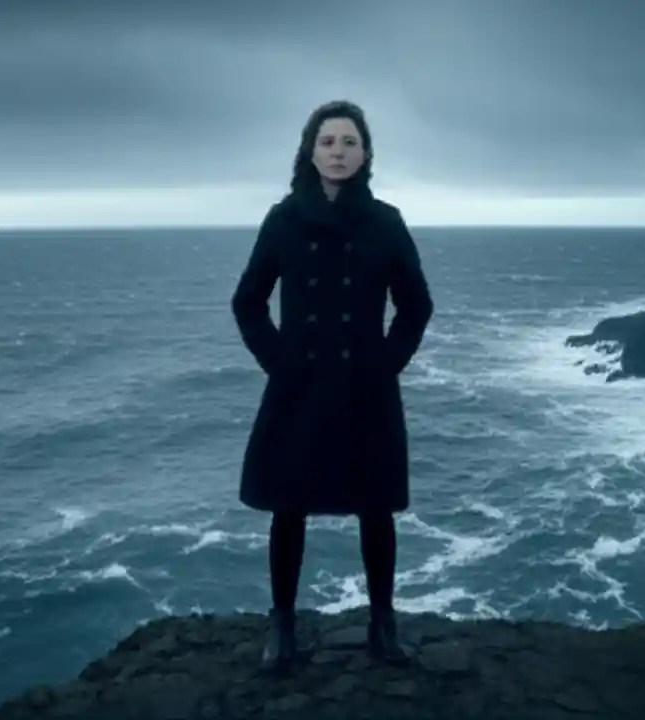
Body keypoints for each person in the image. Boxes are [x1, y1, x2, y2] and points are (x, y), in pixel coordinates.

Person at [230, 100, 434, 673]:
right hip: (300, 386)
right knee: (287, 507)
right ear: (309, 150)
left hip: (365, 387)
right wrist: (279, 361)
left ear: (366, 153)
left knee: (376, 510)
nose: (338, 152)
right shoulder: (283, 219)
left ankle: (383, 625)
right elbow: (247, 301)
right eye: (328, 142)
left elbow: (416, 305)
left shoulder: (386, 222)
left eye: (349, 142)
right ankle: (282, 626)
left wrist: (385, 363)